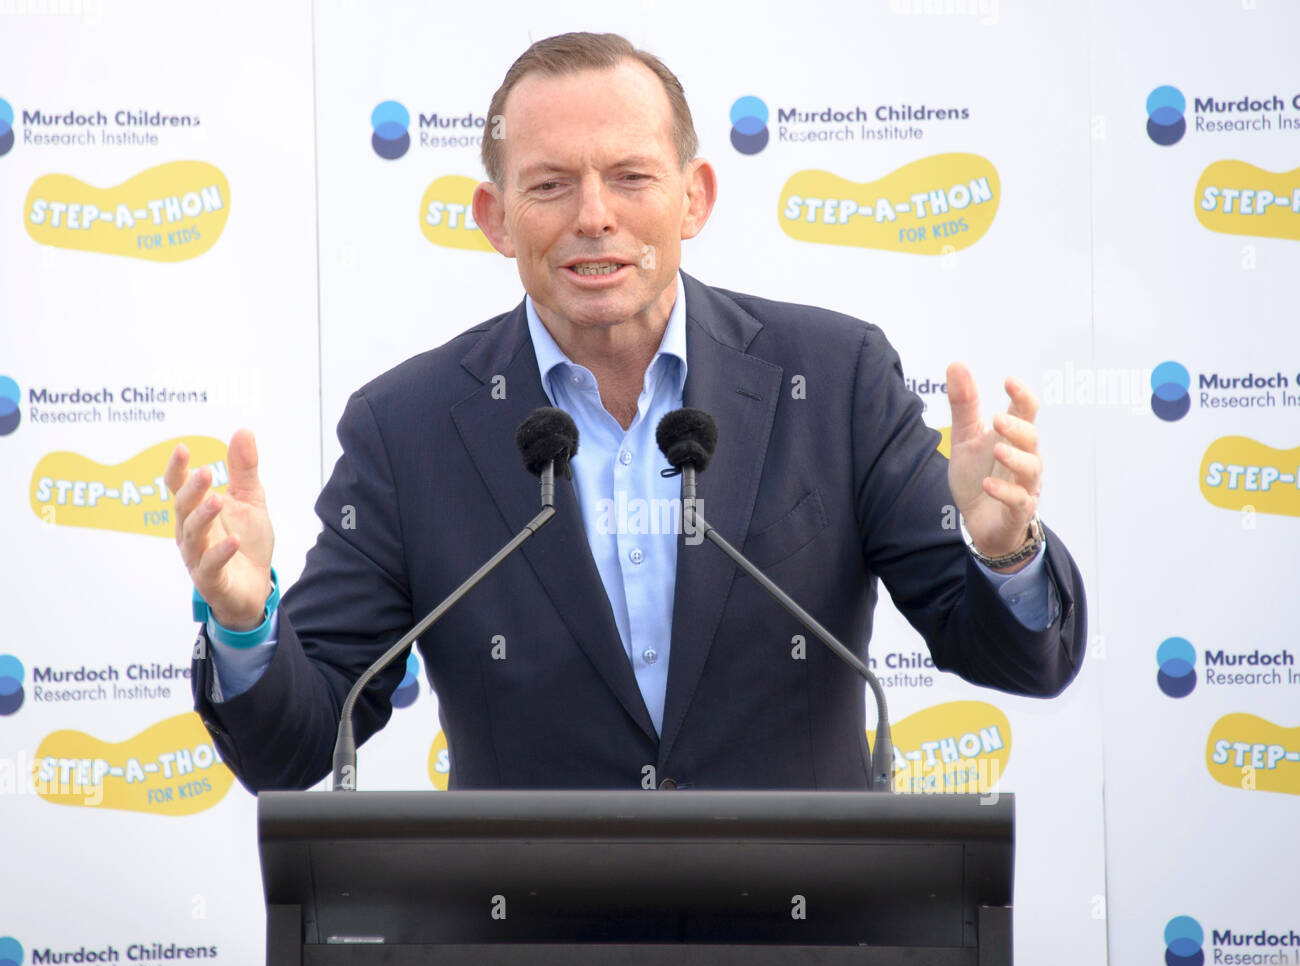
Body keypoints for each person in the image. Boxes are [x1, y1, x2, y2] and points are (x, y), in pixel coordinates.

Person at [167, 32, 1086, 793]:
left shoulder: (835, 379)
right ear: (493, 218)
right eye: (550, 184)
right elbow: (294, 748)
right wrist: (247, 624)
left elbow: (1018, 662)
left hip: (808, 958)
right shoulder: (409, 430)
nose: (594, 216)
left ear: (696, 199)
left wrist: (1006, 551)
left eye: (632, 177)